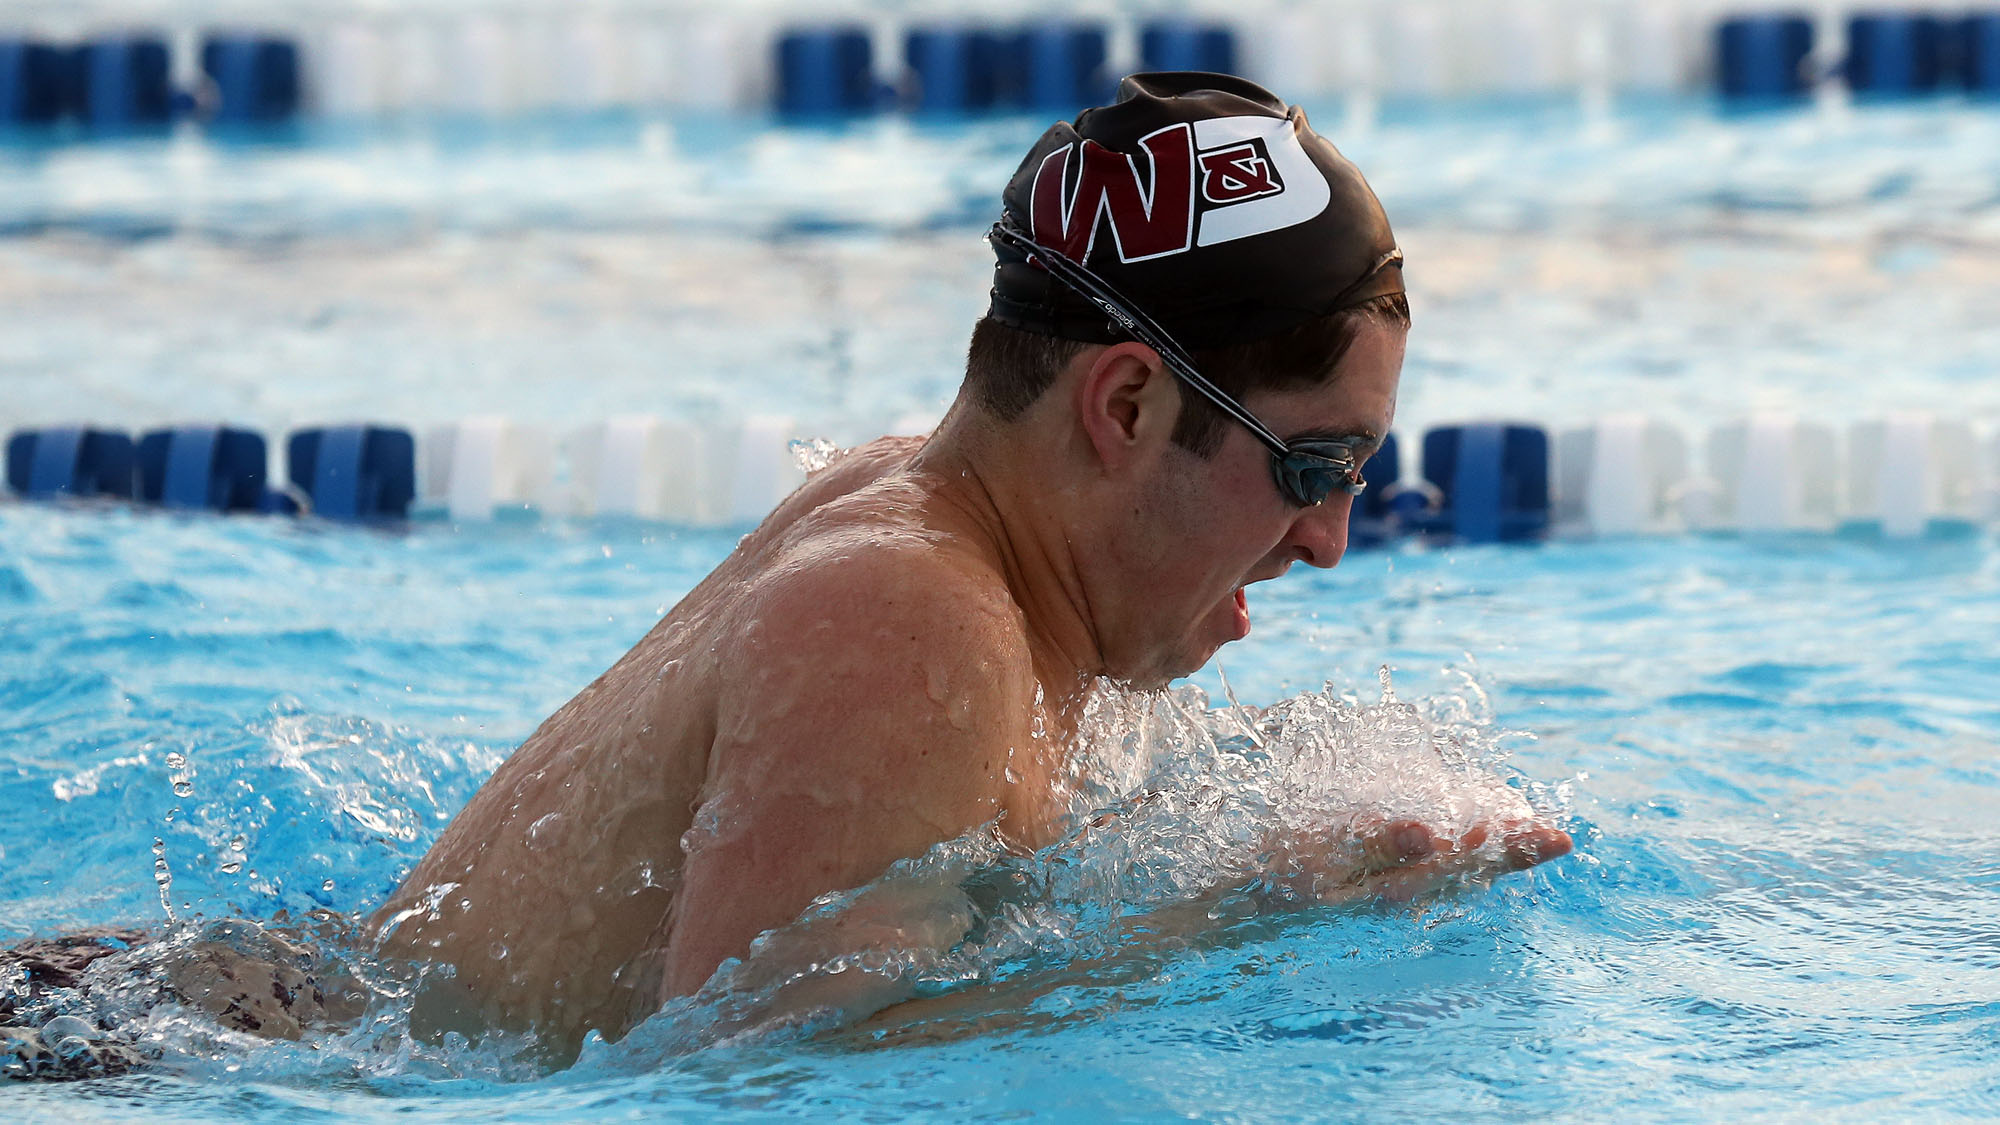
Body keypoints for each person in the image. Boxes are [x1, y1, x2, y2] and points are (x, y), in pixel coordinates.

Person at [368, 72, 1571, 1063]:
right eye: (1313, 467)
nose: (1327, 538)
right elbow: (740, 1079)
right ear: (1129, 403)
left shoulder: (957, 548)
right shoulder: (903, 619)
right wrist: (1244, 921)